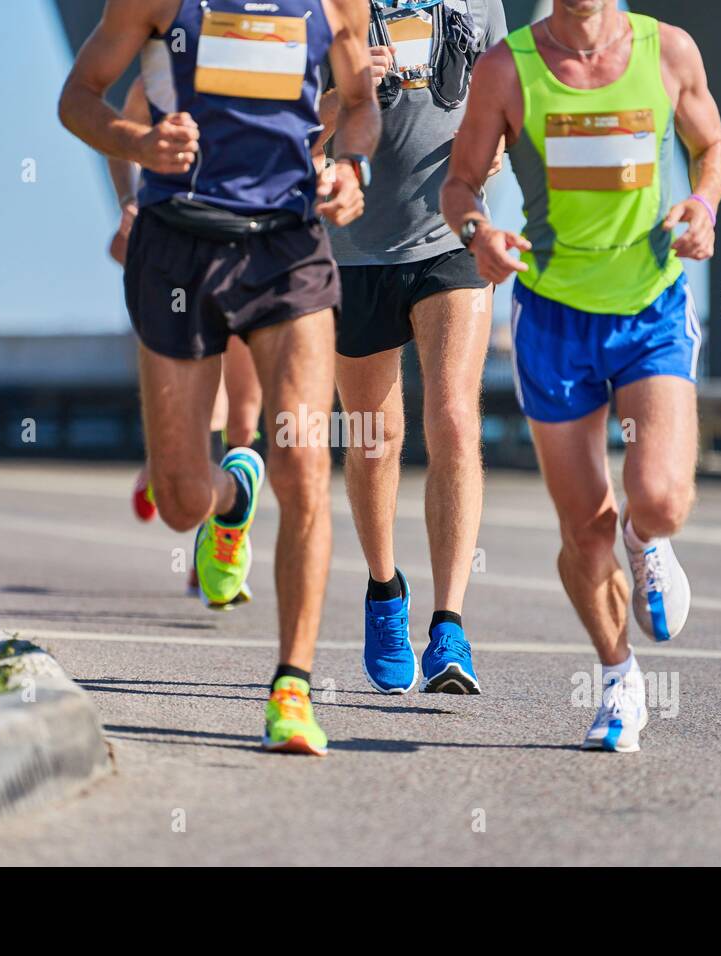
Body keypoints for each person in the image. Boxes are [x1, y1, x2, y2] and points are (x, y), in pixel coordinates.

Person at [60, 0, 379, 755]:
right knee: (178, 502)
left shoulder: (337, 4)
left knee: (304, 461)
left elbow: (361, 100)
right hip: (179, 247)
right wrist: (138, 141)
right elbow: (78, 97)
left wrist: (352, 165)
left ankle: (292, 687)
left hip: (288, 247)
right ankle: (232, 495)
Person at [441, 0, 721, 750]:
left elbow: (715, 146)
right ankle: (617, 678)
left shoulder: (667, 51)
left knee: (660, 500)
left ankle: (649, 541)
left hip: (649, 310)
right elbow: (461, 183)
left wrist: (701, 204)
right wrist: (479, 234)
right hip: (554, 320)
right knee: (583, 530)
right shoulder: (507, 69)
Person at [317, 0, 507, 696]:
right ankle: (384, 592)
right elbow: (294, 122)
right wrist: (343, 93)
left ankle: (450, 623)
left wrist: (495, 154)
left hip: (450, 238)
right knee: (374, 437)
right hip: (353, 250)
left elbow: (503, 95)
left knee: (455, 417)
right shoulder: (335, 6)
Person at [111, 79, 263, 592]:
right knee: (206, 409)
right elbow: (119, 128)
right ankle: (174, 478)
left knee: (244, 416)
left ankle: (222, 526)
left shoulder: (281, 38)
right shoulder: (171, 55)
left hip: (261, 243)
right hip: (182, 249)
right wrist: (129, 203)